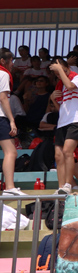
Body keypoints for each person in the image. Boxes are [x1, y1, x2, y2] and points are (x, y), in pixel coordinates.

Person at [49, 57, 78, 194]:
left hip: (76, 120)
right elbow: (62, 108)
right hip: (63, 122)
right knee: (58, 156)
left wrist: (60, 69)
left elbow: (71, 86)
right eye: (57, 74)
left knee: (67, 151)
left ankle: (67, 185)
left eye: (60, 71)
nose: (59, 75)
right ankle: (61, 187)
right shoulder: (60, 85)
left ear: (66, 67)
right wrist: (53, 99)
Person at [0, 50, 20, 194]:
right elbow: (2, 98)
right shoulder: (3, 74)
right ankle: (10, 187)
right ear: (3, 61)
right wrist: (12, 121)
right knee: (11, 152)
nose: (12, 64)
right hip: (1, 117)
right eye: (11, 60)